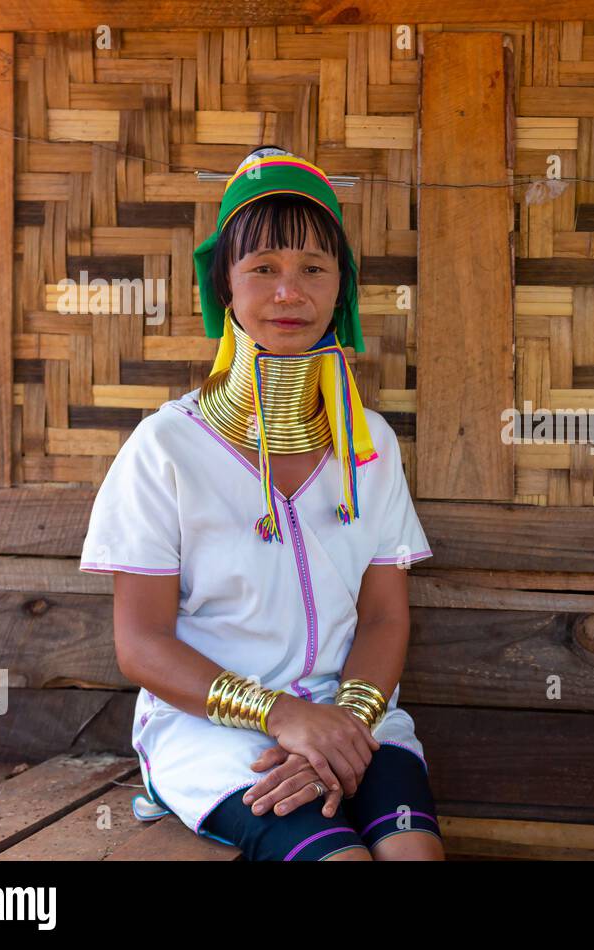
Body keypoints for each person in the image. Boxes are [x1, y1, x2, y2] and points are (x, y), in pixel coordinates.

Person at [79, 146, 443, 861]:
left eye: (314, 268)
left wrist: (337, 727)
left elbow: (382, 615)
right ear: (225, 288)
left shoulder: (368, 444)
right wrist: (284, 718)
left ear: (343, 288)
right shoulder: (166, 449)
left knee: (414, 858)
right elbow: (141, 642)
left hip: (356, 720)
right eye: (263, 269)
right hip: (213, 731)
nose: (289, 292)